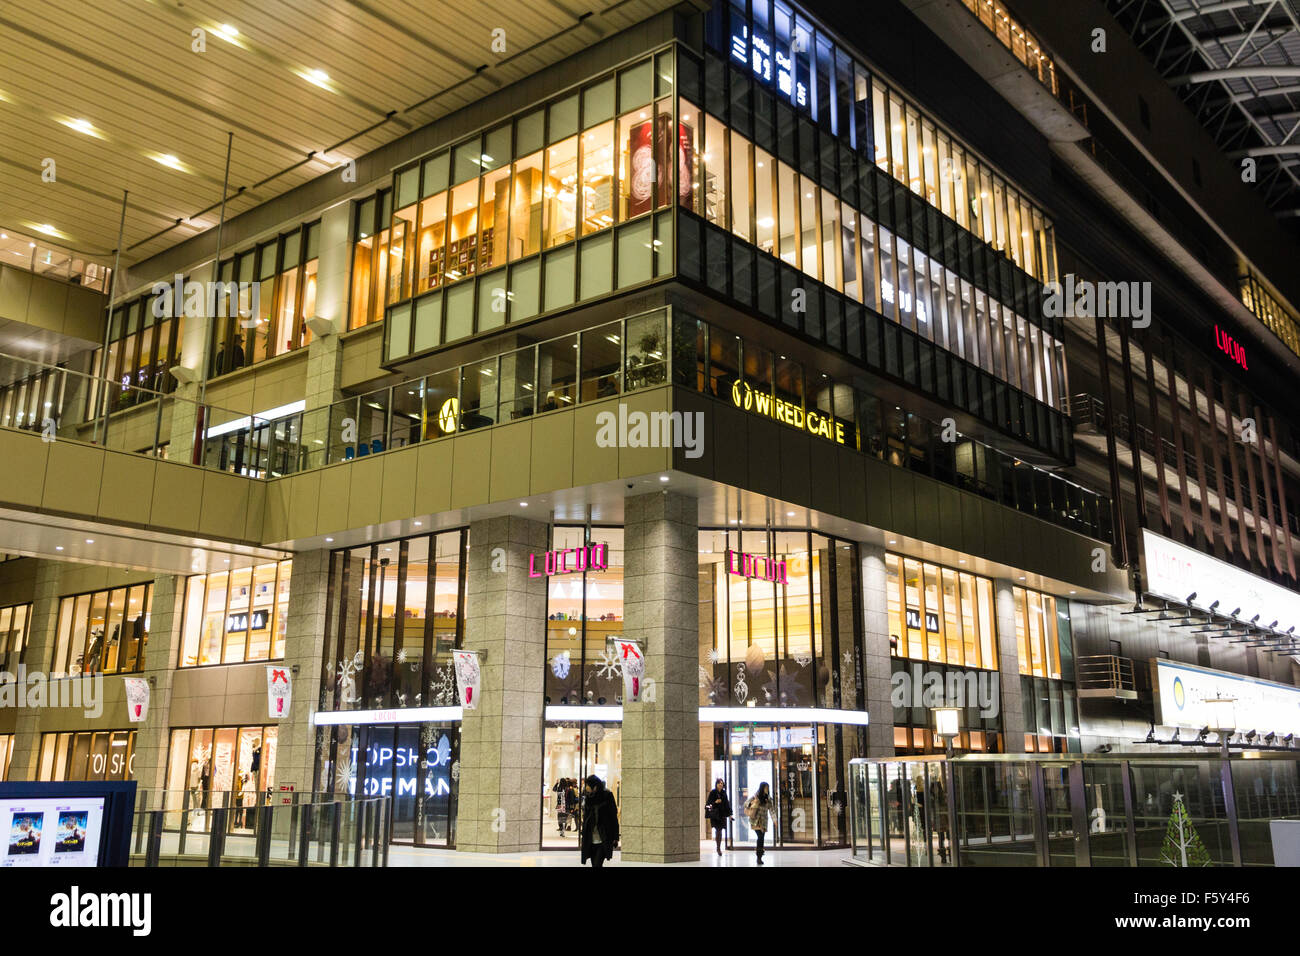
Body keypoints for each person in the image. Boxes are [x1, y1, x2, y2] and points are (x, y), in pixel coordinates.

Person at [580, 774, 619, 868]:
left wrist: (616, 836)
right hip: (591, 838)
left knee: (597, 864)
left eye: (588, 786)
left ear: (595, 787)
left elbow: (613, 817)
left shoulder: (607, 796)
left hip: (604, 836)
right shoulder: (589, 797)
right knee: (595, 865)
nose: (586, 788)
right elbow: (586, 817)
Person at [744, 782, 774, 864]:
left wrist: (774, 820)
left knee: (762, 838)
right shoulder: (755, 796)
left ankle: (759, 856)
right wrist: (754, 802)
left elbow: (772, 810)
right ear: (762, 788)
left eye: (768, 788)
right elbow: (746, 803)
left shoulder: (768, 799)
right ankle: (759, 856)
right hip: (755, 821)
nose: (767, 790)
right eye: (765, 788)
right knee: (760, 837)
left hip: (763, 822)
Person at [704, 777, 732, 855]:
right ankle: (718, 848)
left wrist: (730, 814)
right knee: (718, 830)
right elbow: (707, 805)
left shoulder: (724, 793)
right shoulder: (713, 792)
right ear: (716, 784)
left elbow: (727, 804)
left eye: (722, 783)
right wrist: (715, 802)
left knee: (720, 831)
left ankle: (718, 847)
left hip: (722, 814)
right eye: (719, 783)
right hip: (715, 815)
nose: (720, 784)